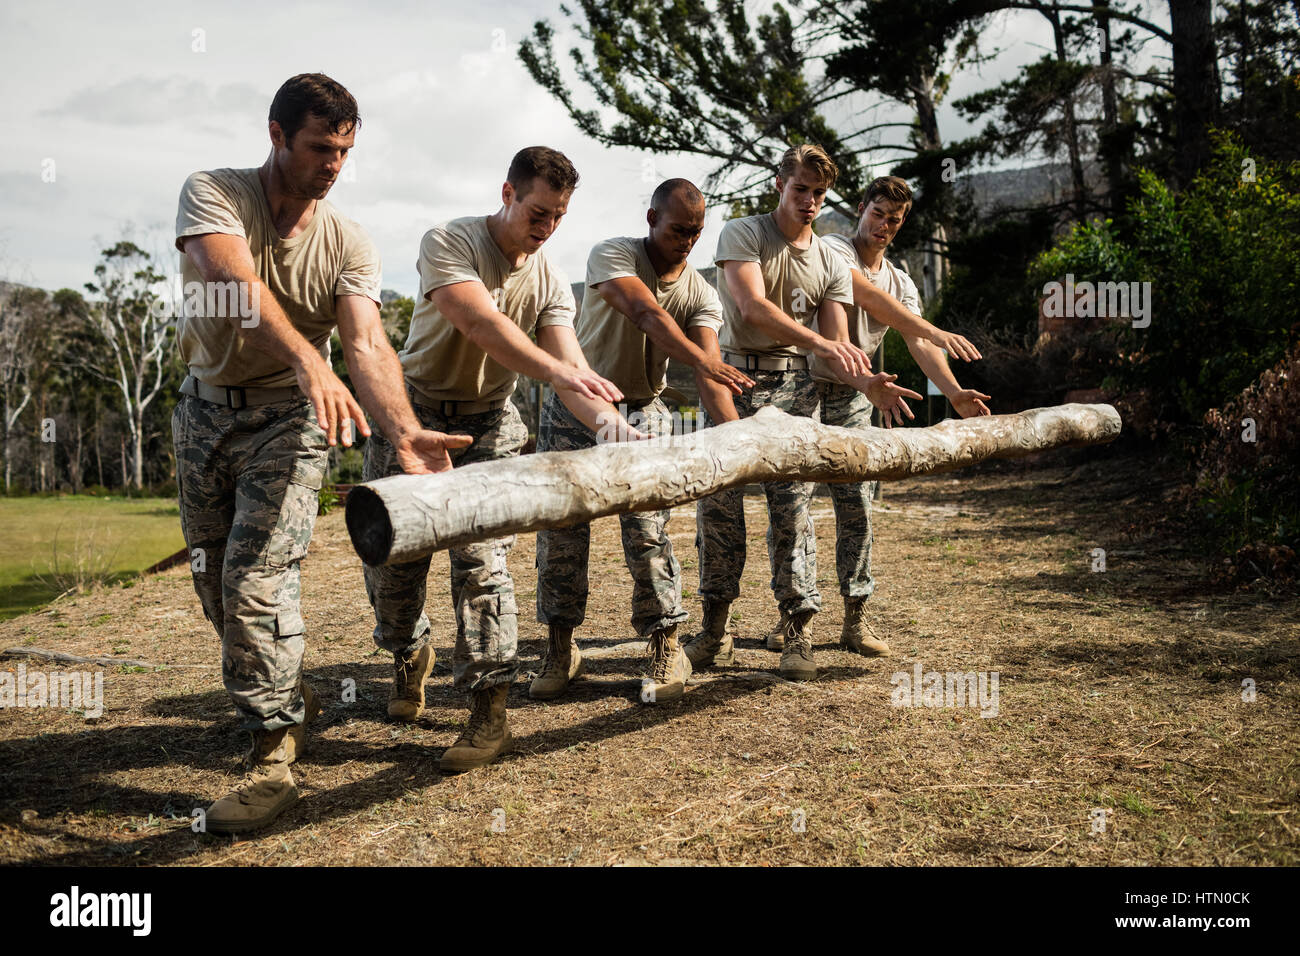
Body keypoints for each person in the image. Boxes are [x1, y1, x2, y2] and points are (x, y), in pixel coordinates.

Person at [173, 73, 469, 834]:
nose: (333, 165)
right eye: (318, 147)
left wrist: (400, 431)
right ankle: (281, 684)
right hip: (204, 414)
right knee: (214, 581)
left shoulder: (349, 240)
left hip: (291, 423)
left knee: (255, 579)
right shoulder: (214, 192)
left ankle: (273, 756)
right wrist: (312, 358)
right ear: (276, 135)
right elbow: (226, 279)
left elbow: (367, 345)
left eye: (344, 150)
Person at [364, 146, 641, 772]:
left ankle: (489, 712)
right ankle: (409, 653)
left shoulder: (548, 277)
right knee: (394, 570)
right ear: (508, 193)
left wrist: (616, 429)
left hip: (490, 426)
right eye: (538, 212)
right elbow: (480, 323)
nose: (545, 228)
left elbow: (574, 377)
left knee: (483, 566)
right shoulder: (449, 241)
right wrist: (563, 372)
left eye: (559, 217)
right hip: (411, 418)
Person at [682, 144, 919, 682]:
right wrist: (823, 346)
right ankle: (714, 634)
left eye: (818, 193)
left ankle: (797, 634)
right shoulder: (743, 233)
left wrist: (869, 383)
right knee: (719, 513)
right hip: (732, 379)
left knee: (792, 513)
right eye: (800, 189)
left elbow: (837, 342)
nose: (809, 201)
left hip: (795, 387)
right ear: (778, 184)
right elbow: (751, 307)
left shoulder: (831, 260)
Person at [532, 179, 753, 704]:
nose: (688, 241)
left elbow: (710, 379)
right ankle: (561, 646)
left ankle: (663, 642)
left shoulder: (700, 291)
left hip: (644, 412)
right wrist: (708, 360)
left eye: (697, 232)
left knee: (648, 531)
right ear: (651, 217)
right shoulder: (612, 254)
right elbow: (645, 313)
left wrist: (736, 441)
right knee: (562, 533)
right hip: (574, 406)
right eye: (678, 229)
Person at [814, 175, 993, 657]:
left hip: (859, 397)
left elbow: (914, 341)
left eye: (894, 219)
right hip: (804, 388)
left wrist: (953, 393)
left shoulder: (900, 279)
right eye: (877, 214)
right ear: (860, 208)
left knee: (858, 509)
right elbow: (871, 300)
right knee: (789, 510)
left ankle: (856, 618)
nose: (884, 226)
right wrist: (933, 328)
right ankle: (797, 620)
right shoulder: (832, 247)